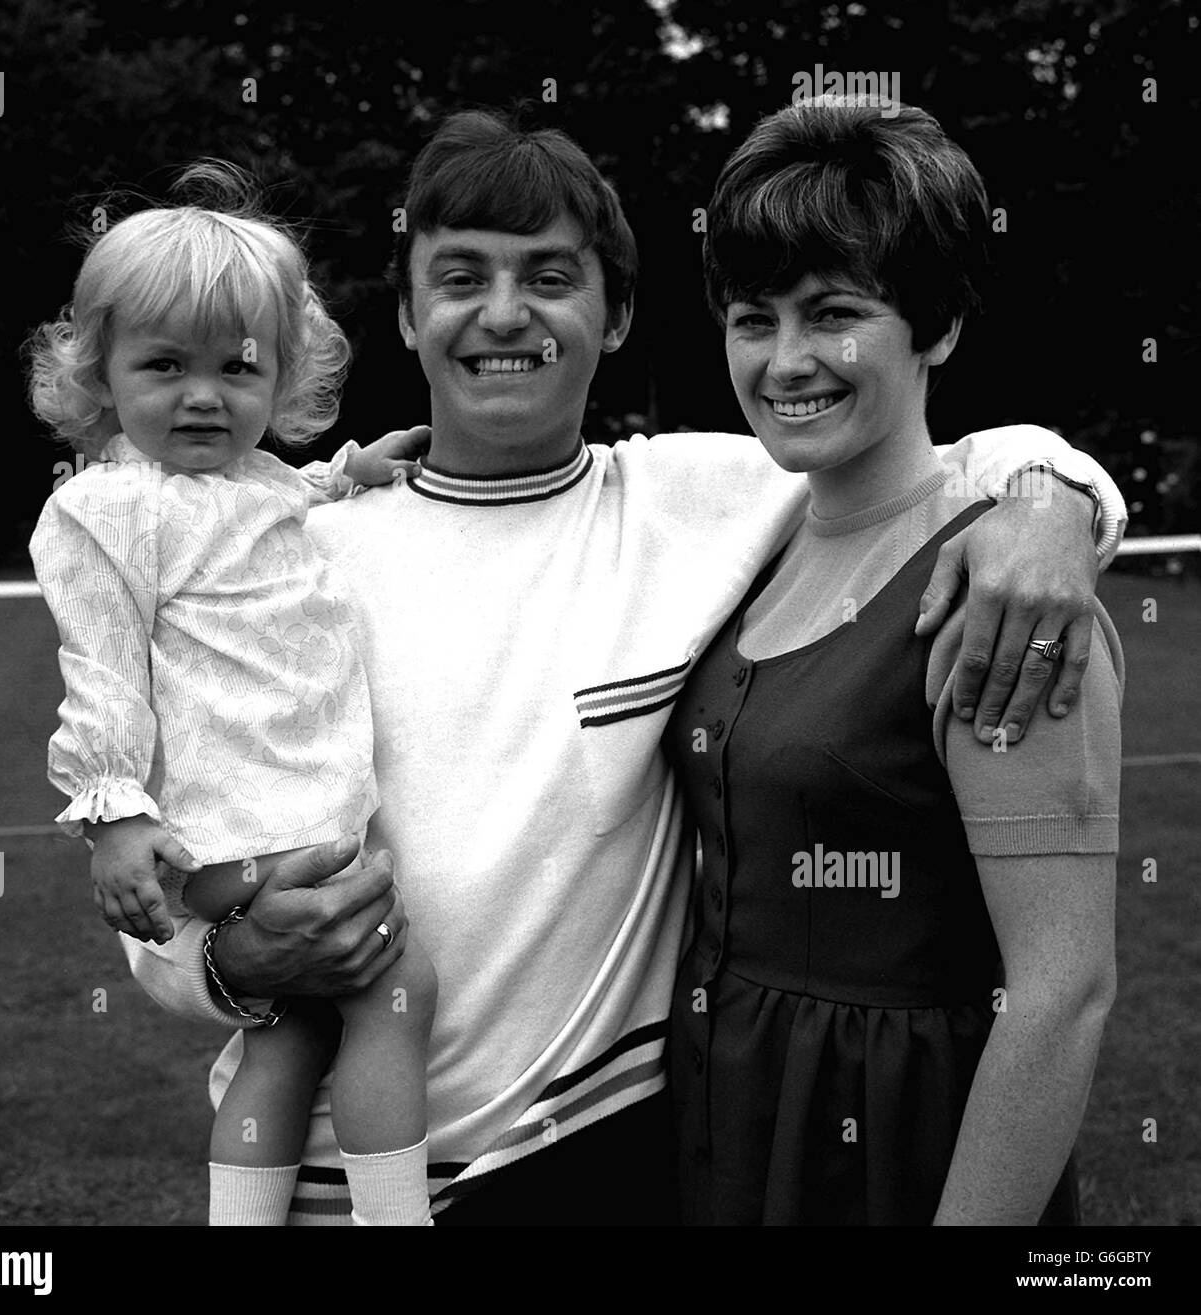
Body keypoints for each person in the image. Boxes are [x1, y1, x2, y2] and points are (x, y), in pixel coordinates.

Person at [120, 112, 1127, 1225]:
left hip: (608, 1163)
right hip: (333, 1189)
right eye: (460, 278)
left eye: (550, 277)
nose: (503, 314)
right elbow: (160, 903)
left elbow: (917, 462)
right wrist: (236, 958)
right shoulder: (279, 565)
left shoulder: (710, 497)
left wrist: (1049, 497)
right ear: (406, 317)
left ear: (619, 315)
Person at [665, 96, 1121, 1225]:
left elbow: (1063, 994)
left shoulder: (1004, 585)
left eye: (834, 313)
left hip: (894, 1155)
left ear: (936, 325)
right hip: (724, 1128)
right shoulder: (747, 551)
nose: (785, 362)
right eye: (751, 317)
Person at [27, 163, 436, 1226]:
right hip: (252, 830)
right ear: (100, 374)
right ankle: (399, 1216)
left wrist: (349, 470)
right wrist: (114, 811)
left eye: (237, 368)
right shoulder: (110, 508)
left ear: (280, 375)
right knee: (397, 993)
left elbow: (284, 498)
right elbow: (101, 667)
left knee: (289, 1031)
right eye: (164, 365)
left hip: (277, 826)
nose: (204, 394)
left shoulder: (253, 481)